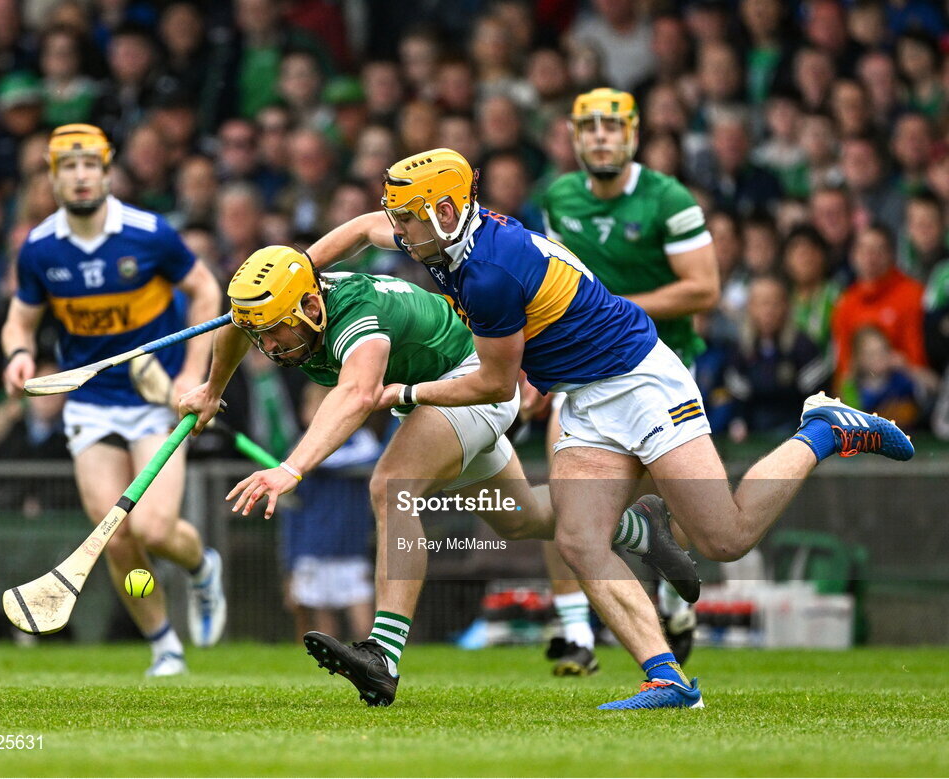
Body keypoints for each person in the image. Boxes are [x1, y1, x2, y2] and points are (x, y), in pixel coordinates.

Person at [304, 146, 915, 709]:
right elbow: (362, 229)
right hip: (584, 397)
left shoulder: (488, 272)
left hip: (639, 380)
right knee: (577, 538)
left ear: (442, 210)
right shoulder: (439, 235)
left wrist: (405, 393)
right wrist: (299, 273)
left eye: (406, 219)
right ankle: (667, 677)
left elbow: (494, 384)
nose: (398, 231)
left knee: (725, 538)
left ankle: (823, 430)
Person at [178, 246, 697, 707]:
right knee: (524, 520)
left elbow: (358, 395)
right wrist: (209, 389)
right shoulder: (288, 304)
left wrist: (292, 468)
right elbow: (233, 331)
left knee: (391, 487)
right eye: (261, 333)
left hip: (468, 386)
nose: (269, 346)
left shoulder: (359, 318)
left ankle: (384, 656)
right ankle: (636, 526)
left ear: (311, 308)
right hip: (435, 398)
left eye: (276, 331)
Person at [0, 124, 227, 676]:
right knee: (115, 533)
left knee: (152, 528)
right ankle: (164, 645)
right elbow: (20, 319)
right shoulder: (39, 248)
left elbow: (205, 289)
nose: (80, 178)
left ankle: (202, 567)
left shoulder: (148, 234)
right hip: (92, 402)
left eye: (89, 167)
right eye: (68, 168)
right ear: (53, 179)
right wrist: (18, 355)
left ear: (106, 172)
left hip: (157, 398)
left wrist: (193, 375)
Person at [538, 87, 720, 673]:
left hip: (662, 364)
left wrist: (614, 307)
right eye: (587, 126)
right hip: (583, 369)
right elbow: (553, 283)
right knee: (563, 497)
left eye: (611, 127)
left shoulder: (669, 198)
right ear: (573, 136)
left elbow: (704, 287)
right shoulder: (559, 197)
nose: (599, 137)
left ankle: (672, 600)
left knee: (687, 509)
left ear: (633, 135)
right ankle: (576, 637)